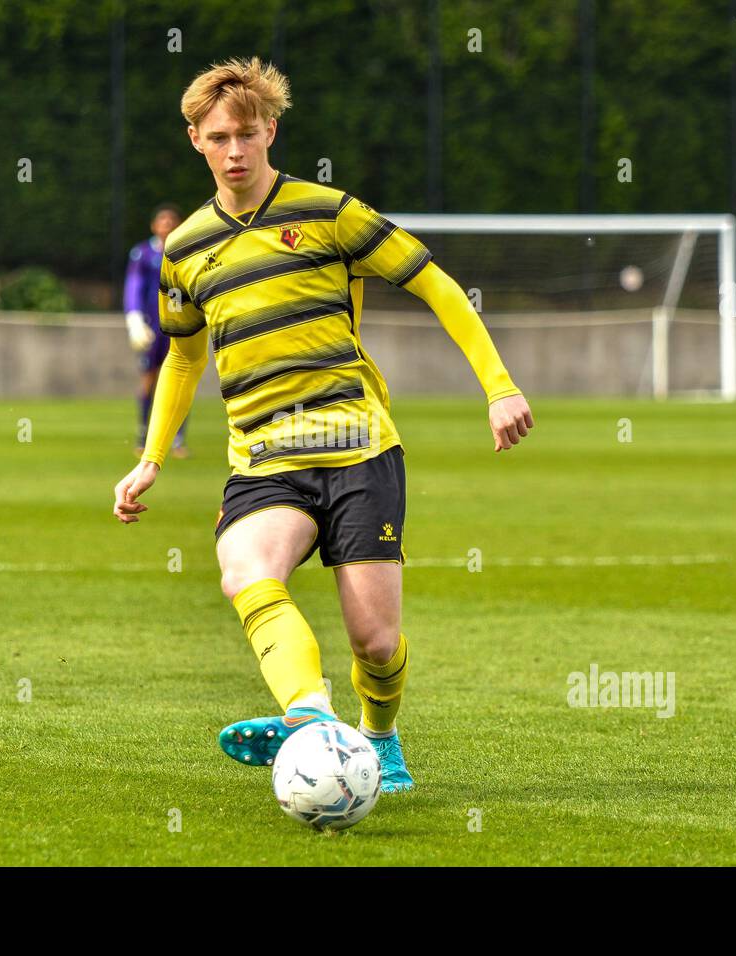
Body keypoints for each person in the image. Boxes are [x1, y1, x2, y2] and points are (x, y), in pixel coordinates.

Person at [112, 58, 533, 793]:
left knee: (375, 641)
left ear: (270, 130)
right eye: (219, 137)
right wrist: (151, 457)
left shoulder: (331, 213)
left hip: (357, 449)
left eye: (248, 133)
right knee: (245, 571)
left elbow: (436, 285)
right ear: (195, 141)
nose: (236, 150)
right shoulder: (183, 253)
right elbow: (183, 359)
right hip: (264, 459)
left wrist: (499, 387)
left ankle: (379, 735)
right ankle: (310, 719)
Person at [124, 204, 190, 457]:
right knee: (149, 380)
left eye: (171, 221)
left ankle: (177, 439)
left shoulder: (184, 253)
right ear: (154, 226)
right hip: (152, 327)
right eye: (162, 221)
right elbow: (134, 286)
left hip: (176, 326)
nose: (167, 225)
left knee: (177, 380)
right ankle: (143, 434)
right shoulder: (142, 253)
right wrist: (134, 318)